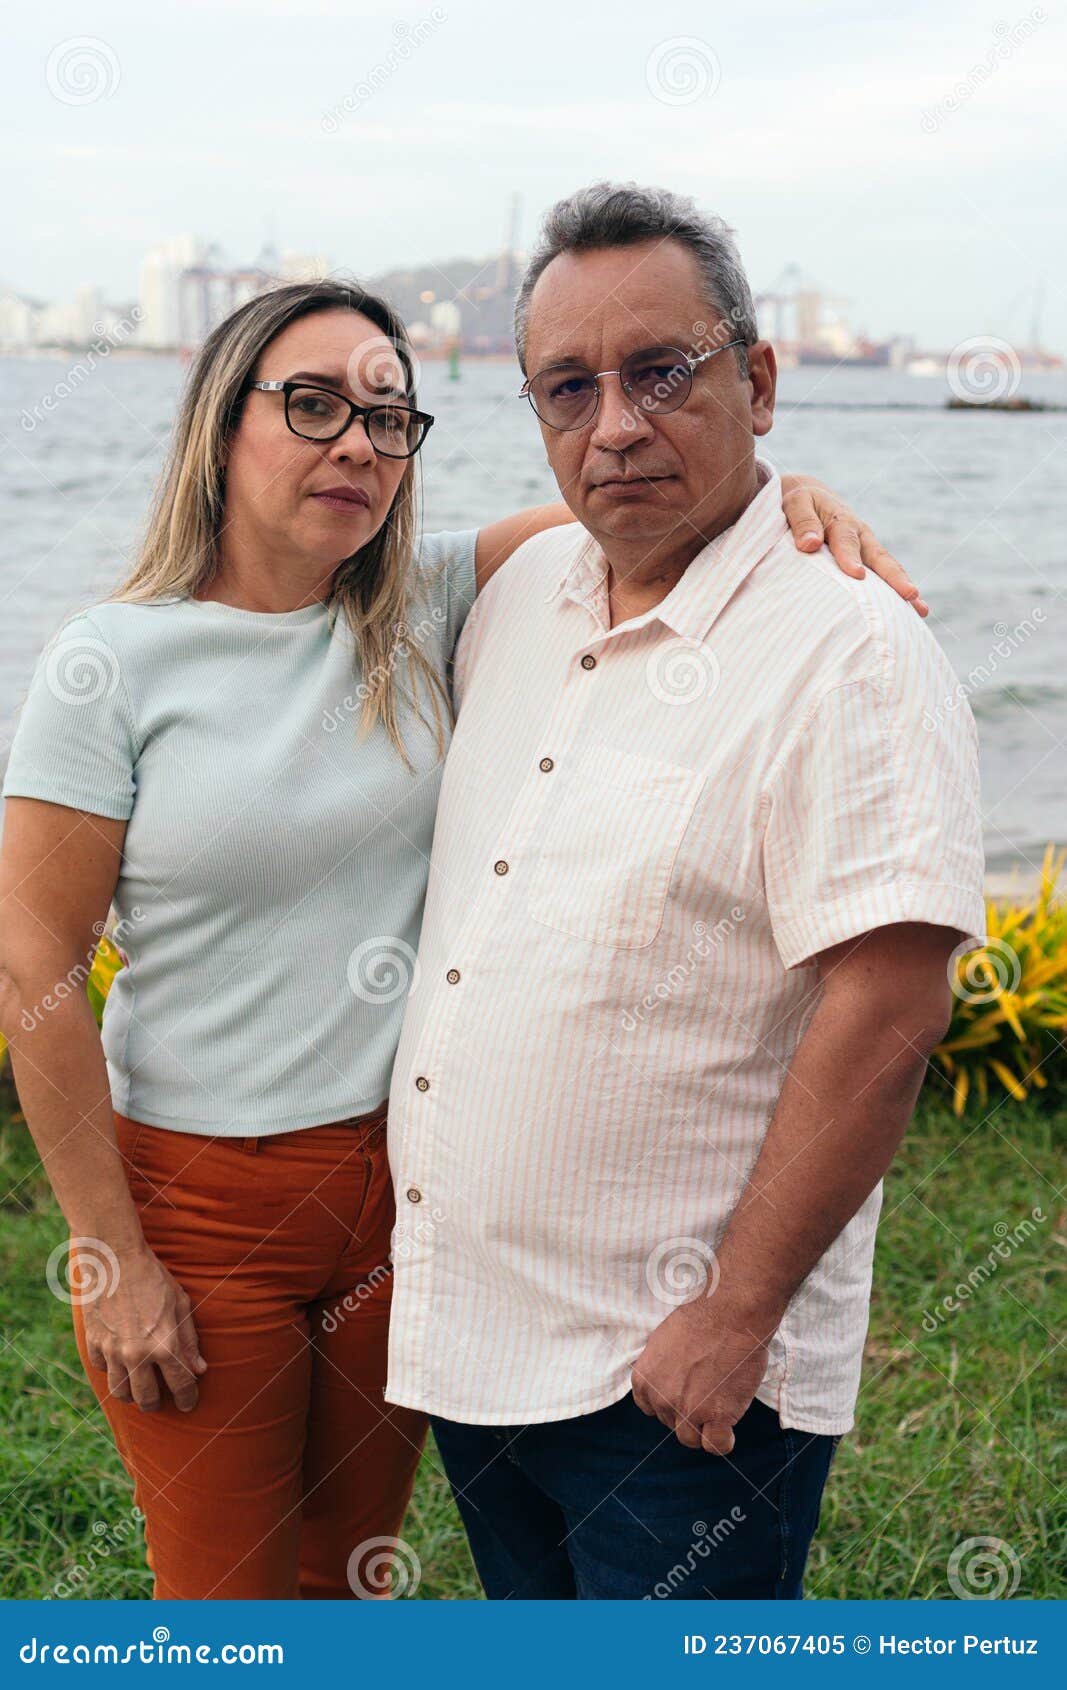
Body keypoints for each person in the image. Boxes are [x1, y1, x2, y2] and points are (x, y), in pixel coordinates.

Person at [0, 273, 917, 1601]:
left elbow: (657, 504)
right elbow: (34, 966)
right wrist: (110, 1254)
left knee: (352, 1578)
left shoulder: (426, 601)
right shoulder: (112, 662)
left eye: (388, 417)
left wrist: (793, 493)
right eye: (310, 406)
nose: (355, 445)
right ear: (219, 423)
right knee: (227, 1599)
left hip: (400, 1203)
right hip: (199, 1206)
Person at [382, 183, 987, 1600]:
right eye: (567, 389)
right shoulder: (527, 590)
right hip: (481, 1350)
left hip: (674, 1384)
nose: (616, 426)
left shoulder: (849, 650)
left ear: (760, 381)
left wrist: (735, 1315)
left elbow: (893, 997)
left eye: (664, 373)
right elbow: (269, 577)